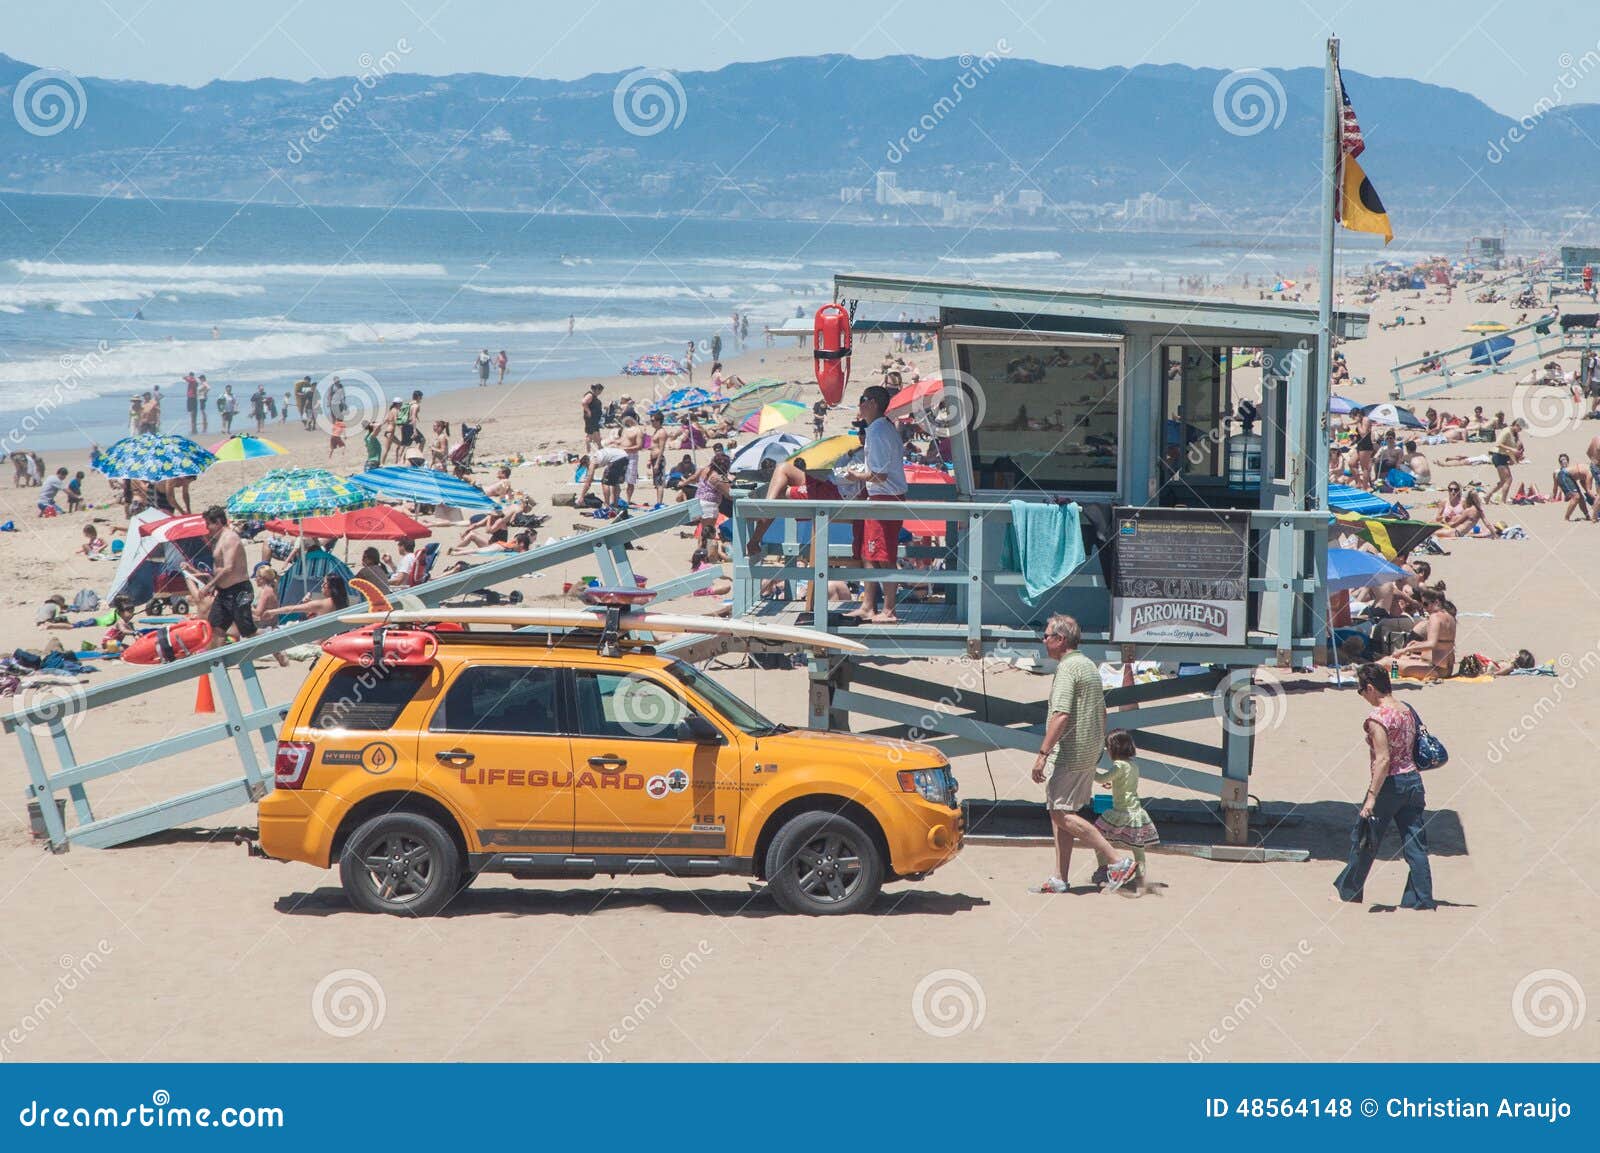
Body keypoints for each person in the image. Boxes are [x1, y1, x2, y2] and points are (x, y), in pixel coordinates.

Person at [1030, 615, 1138, 894]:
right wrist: (1099, 746)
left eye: (1046, 636)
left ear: (1060, 639)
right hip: (1089, 748)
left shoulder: (1068, 669)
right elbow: (1101, 711)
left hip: (1072, 751)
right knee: (1064, 810)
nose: (1043, 640)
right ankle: (1060, 877)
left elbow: (1061, 714)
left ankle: (1117, 860)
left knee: (1058, 812)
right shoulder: (1088, 665)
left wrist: (1043, 753)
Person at [1334, 663, 1436, 909]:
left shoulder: (1377, 718)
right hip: (1414, 781)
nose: (1361, 695)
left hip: (1390, 785)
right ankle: (1421, 899)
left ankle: (1349, 893)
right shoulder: (1406, 710)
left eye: (1361, 690)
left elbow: (1383, 760)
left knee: (1365, 838)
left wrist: (1371, 798)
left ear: (1370, 688)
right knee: (1415, 845)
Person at [847, 385, 908, 623]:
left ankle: (889, 609)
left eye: (862, 400)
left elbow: (880, 474)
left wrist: (856, 476)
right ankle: (868, 605)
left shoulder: (879, 431)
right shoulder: (880, 428)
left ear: (872, 403)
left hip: (886, 497)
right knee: (870, 553)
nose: (859, 404)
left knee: (883, 554)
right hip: (882, 497)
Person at [1095, 730, 1160, 889]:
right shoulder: (1133, 765)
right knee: (1138, 849)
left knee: (1098, 837)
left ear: (1113, 749)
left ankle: (1103, 869)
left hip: (1121, 812)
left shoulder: (1118, 765)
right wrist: (1114, 783)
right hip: (1136, 812)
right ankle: (1141, 879)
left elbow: (1101, 779)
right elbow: (1127, 783)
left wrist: (1090, 771)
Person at [194, 506, 256, 649]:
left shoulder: (230, 538)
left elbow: (228, 567)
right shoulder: (219, 539)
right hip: (224, 592)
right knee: (216, 628)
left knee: (247, 631)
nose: (207, 528)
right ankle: (215, 663)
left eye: (208, 524)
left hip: (239, 590)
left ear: (218, 522)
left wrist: (209, 585)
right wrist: (215, 586)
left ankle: (276, 649)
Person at [261, 573, 350, 622]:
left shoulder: (322, 603)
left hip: (317, 642)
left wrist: (272, 612)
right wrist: (308, 603)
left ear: (331, 587)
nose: (322, 585)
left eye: (324, 583)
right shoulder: (343, 601)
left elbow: (292, 609)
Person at [1486, 417, 1526, 504]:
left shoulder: (1514, 434)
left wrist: (1517, 457)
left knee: (1503, 481)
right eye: (1520, 428)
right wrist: (1512, 449)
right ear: (1516, 425)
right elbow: (1498, 444)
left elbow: (1514, 447)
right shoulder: (1506, 431)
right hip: (1498, 455)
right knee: (1508, 479)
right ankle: (1502, 500)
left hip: (1504, 457)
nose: (1520, 430)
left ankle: (1487, 496)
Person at [1552, 452, 1595, 521]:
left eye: (1565, 460)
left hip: (1569, 478)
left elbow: (1583, 483)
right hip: (1564, 475)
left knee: (1580, 497)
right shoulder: (1590, 472)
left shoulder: (1587, 470)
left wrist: (1591, 495)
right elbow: (1589, 490)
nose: (1564, 462)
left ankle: (1587, 516)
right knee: (1576, 497)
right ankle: (1566, 518)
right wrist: (1595, 498)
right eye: (1561, 461)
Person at [614, 415, 644, 505]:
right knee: (616, 478)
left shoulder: (638, 430)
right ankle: (616, 498)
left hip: (632, 456)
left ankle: (628, 500)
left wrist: (626, 448)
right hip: (621, 455)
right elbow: (621, 440)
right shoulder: (624, 429)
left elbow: (639, 446)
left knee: (630, 480)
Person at [580, 383, 604, 451]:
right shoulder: (590, 395)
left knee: (597, 433)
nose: (600, 392)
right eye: (600, 390)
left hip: (594, 419)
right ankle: (588, 451)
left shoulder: (594, 396)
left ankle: (600, 448)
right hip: (590, 419)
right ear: (596, 389)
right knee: (590, 435)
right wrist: (588, 411)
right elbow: (583, 402)